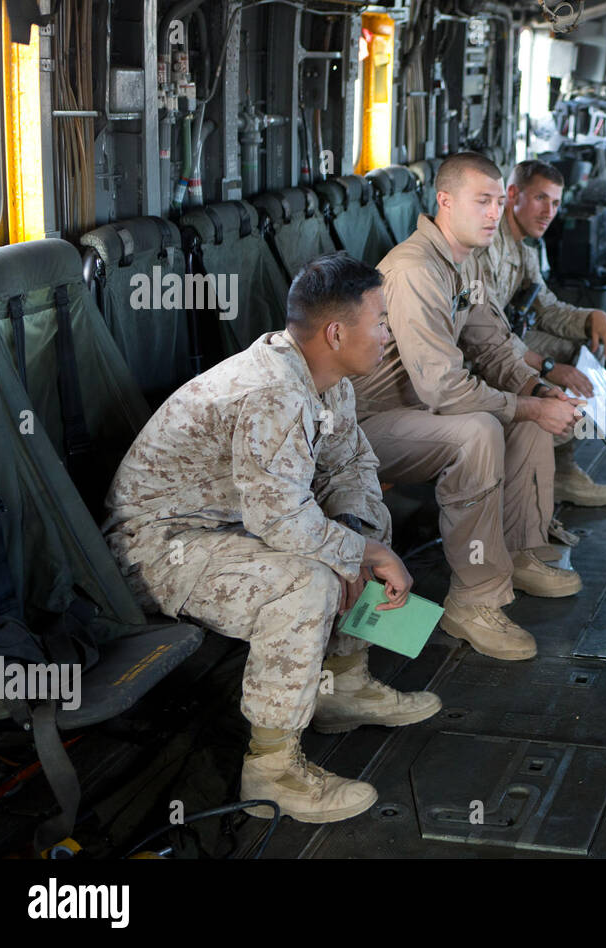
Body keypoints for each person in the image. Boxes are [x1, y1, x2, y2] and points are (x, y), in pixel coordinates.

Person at [102, 253, 440, 824]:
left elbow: (350, 465)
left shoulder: (325, 378)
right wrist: (357, 555)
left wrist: (358, 538)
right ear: (337, 332)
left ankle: (342, 684)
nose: (388, 333)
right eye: (381, 321)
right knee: (305, 581)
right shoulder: (272, 390)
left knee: (362, 519)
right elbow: (281, 520)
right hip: (160, 545)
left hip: (234, 523)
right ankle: (273, 769)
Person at [352, 151, 585, 664]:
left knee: (524, 415)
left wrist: (538, 390)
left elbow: (493, 345)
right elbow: (445, 391)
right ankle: (474, 600)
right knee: (480, 429)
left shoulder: (464, 262)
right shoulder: (416, 269)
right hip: (368, 429)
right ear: (444, 201)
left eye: (499, 203)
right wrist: (525, 407)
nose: (493, 214)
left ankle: (521, 550)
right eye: (482, 202)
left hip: (420, 416)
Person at [473, 159, 606, 507]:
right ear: (513, 195)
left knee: (582, 345)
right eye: (540, 199)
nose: (549, 212)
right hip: (478, 356)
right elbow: (482, 335)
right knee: (560, 374)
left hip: (505, 344)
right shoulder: (486, 248)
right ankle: (528, 482)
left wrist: (593, 317)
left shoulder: (525, 249)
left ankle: (561, 470)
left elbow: (547, 307)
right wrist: (547, 367)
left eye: (555, 203)